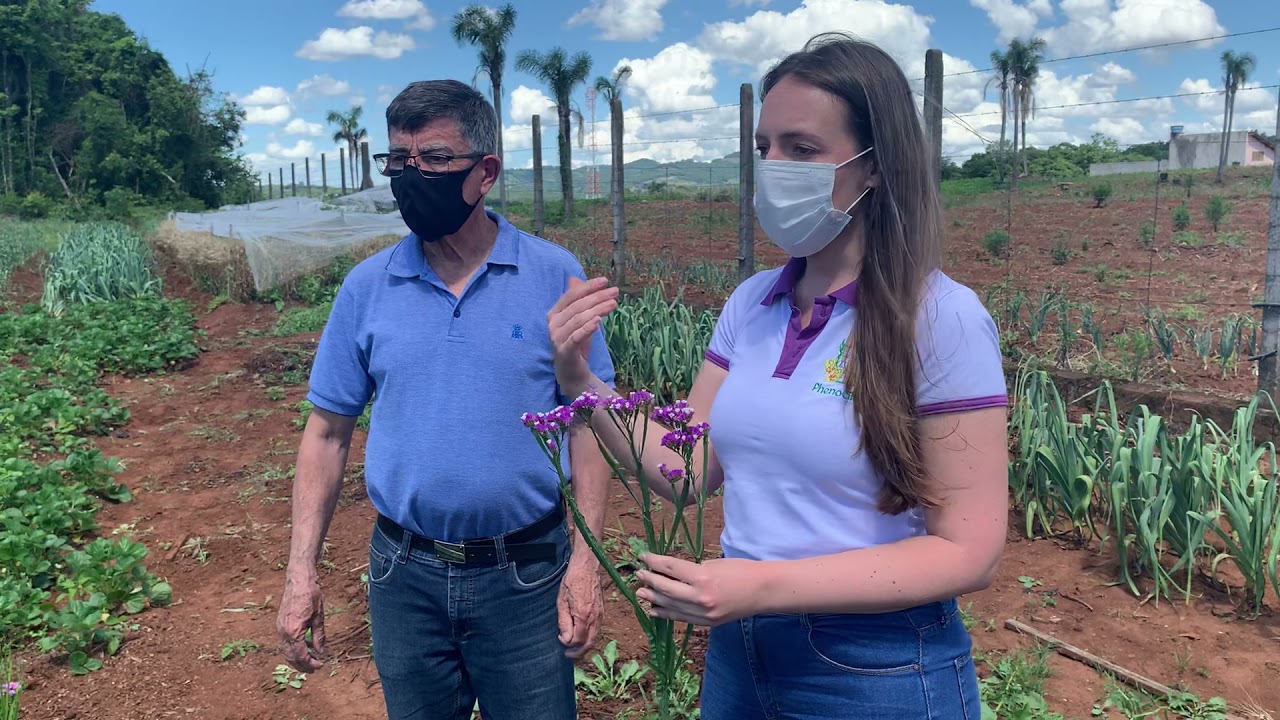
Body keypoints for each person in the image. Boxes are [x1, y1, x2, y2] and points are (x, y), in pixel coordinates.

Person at [546, 33, 1009, 719]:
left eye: (802, 149)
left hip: (873, 666)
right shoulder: (752, 303)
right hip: (740, 651)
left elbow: (968, 552)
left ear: (874, 165)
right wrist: (581, 381)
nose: (772, 166)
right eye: (764, 148)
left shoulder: (940, 318)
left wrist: (761, 585)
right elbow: (689, 466)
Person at [276, 79, 615, 720]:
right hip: (403, 576)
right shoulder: (368, 286)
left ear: (484, 172)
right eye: (398, 160)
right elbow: (326, 433)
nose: (411, 176)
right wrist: (301, 572)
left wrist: (586, 565)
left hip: (525, 572)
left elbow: (587, 428)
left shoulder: (552, 275)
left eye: (432, 159)